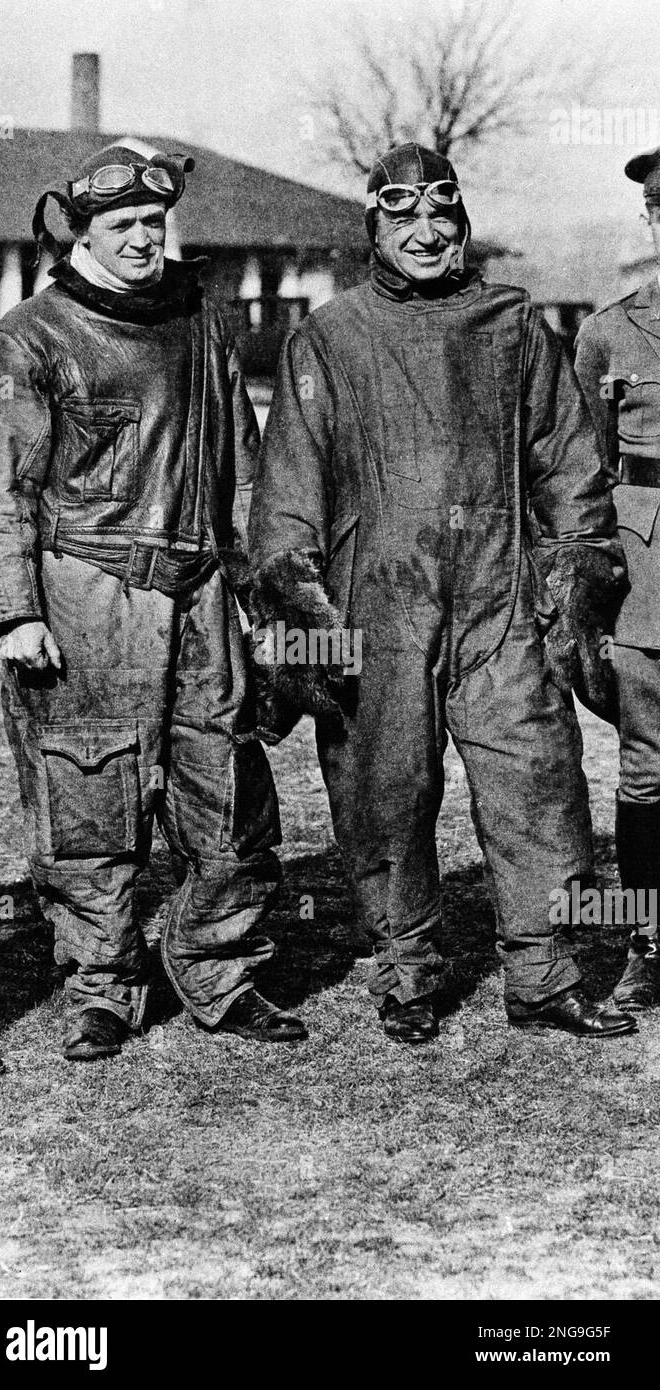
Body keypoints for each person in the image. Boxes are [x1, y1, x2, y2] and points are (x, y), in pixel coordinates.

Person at [249, 141, 635, 1043]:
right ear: (374, 230)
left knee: (538, 781)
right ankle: (409, 971)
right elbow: (287, 496)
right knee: (386, 789)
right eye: (403, 217)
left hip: (499, 603)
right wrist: (303, 622)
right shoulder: (329, 338)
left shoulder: (514, 323)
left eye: (442, 215)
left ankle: (546, 975)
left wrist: (573, 575)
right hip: (376, 605)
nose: (426, 233)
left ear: (459, 222)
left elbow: (568, 465)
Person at [0, 142, 306, 1061]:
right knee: (92, 803)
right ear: (82, 232)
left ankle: (221, 970)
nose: (143, 241)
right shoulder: (27, 339)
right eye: (122, 227)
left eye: (154, 224)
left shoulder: (199, 318)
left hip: (198, 594)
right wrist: (17, 611)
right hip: (86, 595)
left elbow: (237, 458)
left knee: (226, 790)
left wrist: (254, 584)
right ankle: (104, 988)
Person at [575, 145, 660, 1011]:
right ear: (652, 220)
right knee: (644, 773)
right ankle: (647, 939)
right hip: (649, 576)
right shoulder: (608, 333)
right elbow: (585, 471)